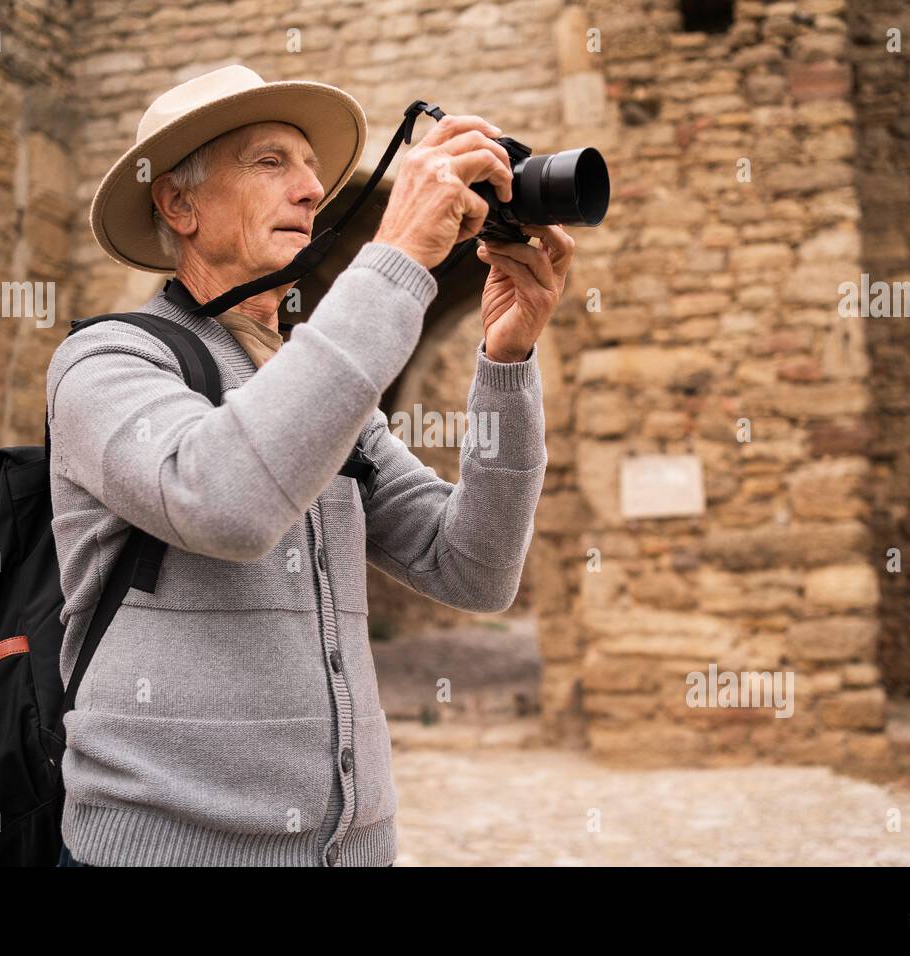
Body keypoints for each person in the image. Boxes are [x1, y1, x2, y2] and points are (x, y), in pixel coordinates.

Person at [48, 64, 573, 867]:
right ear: (178, 204)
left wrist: (506, 363)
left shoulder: (326, 392)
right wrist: (396, 255)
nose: (310, 190)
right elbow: (224, 501)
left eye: (311, 169)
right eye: (270, 163)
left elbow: (474, 568)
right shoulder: (105, 361)